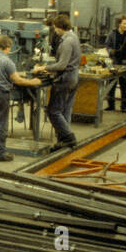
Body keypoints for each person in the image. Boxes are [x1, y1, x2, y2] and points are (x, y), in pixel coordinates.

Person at [0, 35, 42, 162]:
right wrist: (33, 82)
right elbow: (16, 80)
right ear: (7, 47)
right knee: (0, 124)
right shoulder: (7, 61)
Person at [35, 13, 80, 150]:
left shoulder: (67, 41)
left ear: (61, 27)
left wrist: (43, 68)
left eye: (55, 28)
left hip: (65, 79)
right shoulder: (74, 37)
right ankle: (63, 141)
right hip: (73, 78)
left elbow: (61, 65)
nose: (55, 31)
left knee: (53, 111)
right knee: (65, 111)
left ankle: (69, 138)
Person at [104, 15, 126, 112]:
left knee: (124, 85)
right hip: (114, 61)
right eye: (124, 23)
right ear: (119, 24)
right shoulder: (112, 33)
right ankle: (111, 105)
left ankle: (123, 107)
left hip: (124, 62)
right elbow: (107, 45)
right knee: (112, 85)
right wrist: (112, 51)